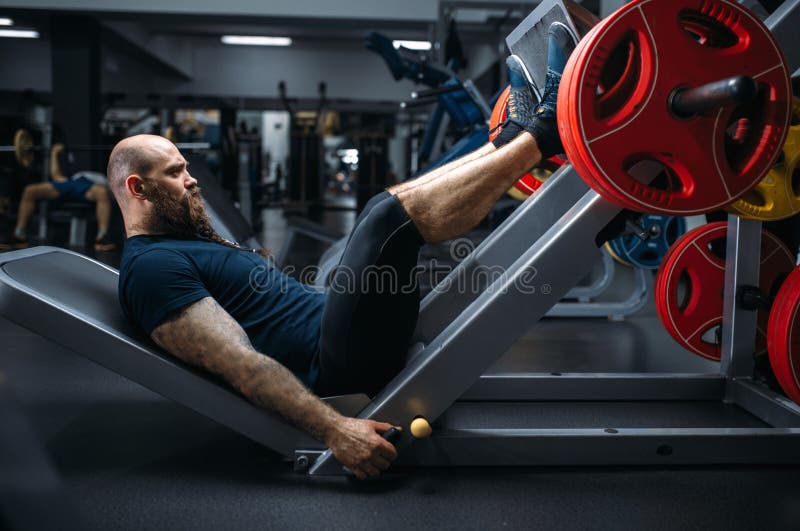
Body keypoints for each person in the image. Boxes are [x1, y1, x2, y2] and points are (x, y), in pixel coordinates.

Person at [108, 23, 577, 480]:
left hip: (332, 325)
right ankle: (542, 135)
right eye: (175, 172)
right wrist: (335, 429)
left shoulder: (178, 240)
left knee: (383, 203)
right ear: (138, 188)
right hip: (336, 368)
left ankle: (511, 139)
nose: (191, 179)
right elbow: (239, 363)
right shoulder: (152, 270)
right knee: (384, 218)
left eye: (186, 167)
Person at [0, 143, 116, 251]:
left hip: (91, 186)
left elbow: (112, 194)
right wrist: (54, 152)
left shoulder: (105, 181)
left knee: (102, 192)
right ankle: (20, 235)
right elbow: (56, 176)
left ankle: (102, 237)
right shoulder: (76, 176)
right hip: (72, 182)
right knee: (30, 190)